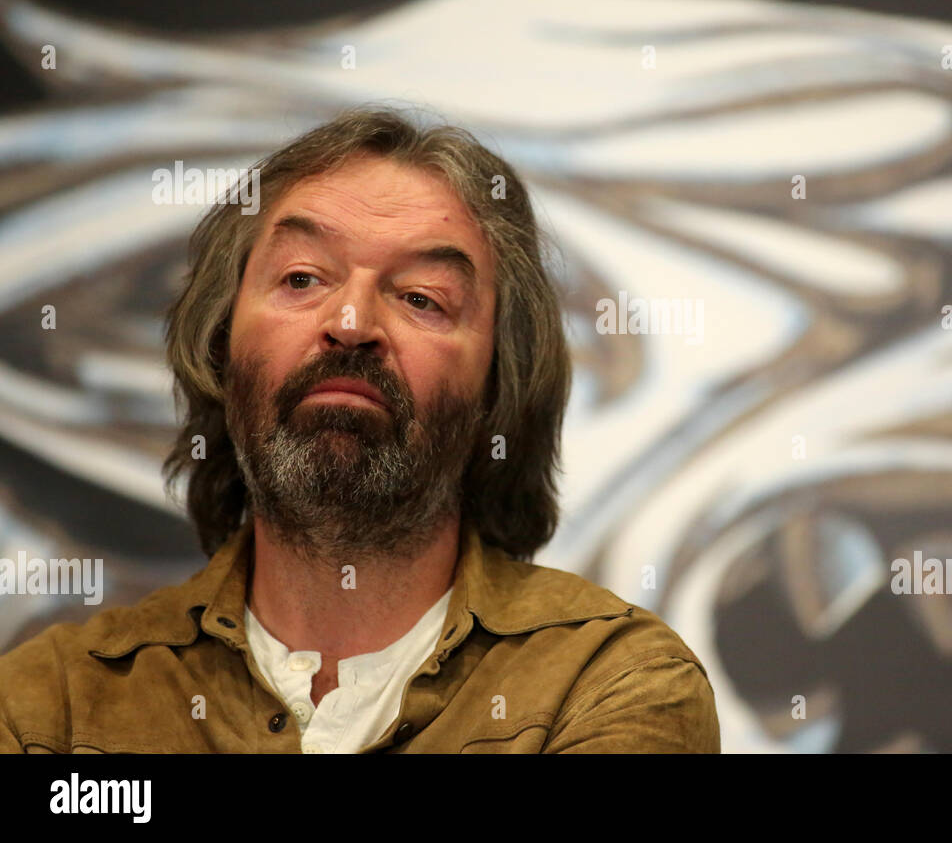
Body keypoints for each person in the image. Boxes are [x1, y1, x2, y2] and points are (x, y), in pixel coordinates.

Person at [0, 106, 720, 753]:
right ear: (221, 344)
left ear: (499, 384)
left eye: (421, 298)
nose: (350, 326)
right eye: (304, 278)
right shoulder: (52, 704)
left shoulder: (611, 684)